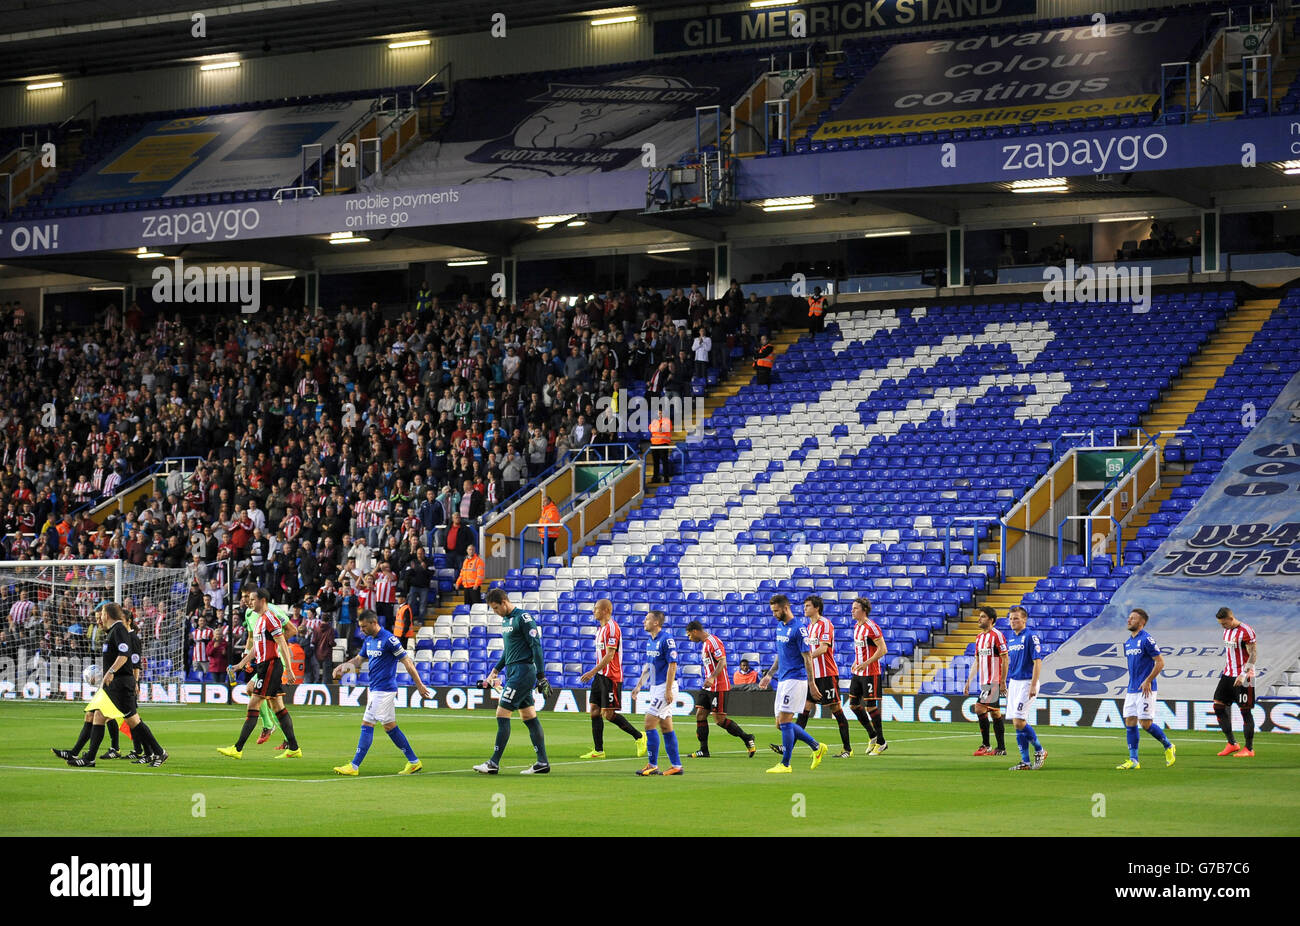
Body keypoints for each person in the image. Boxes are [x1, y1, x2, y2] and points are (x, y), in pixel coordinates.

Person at [56, 603, 167, 768]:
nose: (99, 617)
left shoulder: (120, 629)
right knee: (101, 715)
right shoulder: (113, 631)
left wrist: (111, 671)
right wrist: (106, 671)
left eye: (101, 613)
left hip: (121, 683)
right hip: (116, 682)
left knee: (132, 721)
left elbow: (124, 655)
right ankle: (89, 758)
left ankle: (158, 752)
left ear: (107, 614)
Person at [332, 610, 432, 776]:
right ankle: (414, 762)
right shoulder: (369, 640)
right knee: (390, 727)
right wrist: (343, 666)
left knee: (367, 724)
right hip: (375, 689)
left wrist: (419, 685)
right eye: (360, 627)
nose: (362, 630)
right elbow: (358, 660)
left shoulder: (389, 640)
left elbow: (407, 662)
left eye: (364, 627)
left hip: (384, 690)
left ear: (373, 623)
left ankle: (354, 766)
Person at [217, 586, 303, 760]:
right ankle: (294, 748)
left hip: (271, 665)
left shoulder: (271, 618)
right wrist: (240, 665)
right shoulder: (259, 620)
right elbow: (257, 648)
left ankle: (237, 748)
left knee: (253, 704)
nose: (249, 601)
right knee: (278, 707)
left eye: (253, 599)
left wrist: (290, 668)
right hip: (265, 666)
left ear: (262, 600)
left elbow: (283, 645)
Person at [474, 588, 552, 775]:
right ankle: (542, 762)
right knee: (529, 717)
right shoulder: (506, 621)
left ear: (504, 602)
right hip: (513, 671)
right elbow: (508, 651)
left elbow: (536, 647)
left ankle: (493, 763)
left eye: (495, 608)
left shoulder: (523, 619)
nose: (495, 612)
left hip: (523, 672)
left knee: (502, 713)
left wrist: (541, 676)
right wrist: (495, 671)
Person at [757, 594, 828, 773]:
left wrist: (812, 683)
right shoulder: (780, 627)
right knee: (780, 724)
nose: (773, 614)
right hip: (783, 679)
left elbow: (808, 658)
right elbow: (780, 655)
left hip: (796, 680)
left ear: (785, 608)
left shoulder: (799, 629)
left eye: (776, 611)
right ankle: (816, 746)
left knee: (786, 722)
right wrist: (769, 674)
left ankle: (786, 764)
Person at [577, 599, 645, 759]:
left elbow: (609, 655)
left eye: (596, 609)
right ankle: (598, 750)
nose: (593, 611)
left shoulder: (612, 629)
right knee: (594, 711)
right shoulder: (600, 630)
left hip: (611, 677)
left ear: (606, 610)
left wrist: (591, 672)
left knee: (608, 714)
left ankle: (639, 737)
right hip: (600, 677)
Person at [683, 619, 755, 759]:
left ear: (695, 631)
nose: (689, 638)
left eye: (689, 635)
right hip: (708, 687)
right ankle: (704, 750)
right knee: (700, 715)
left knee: (720, 720)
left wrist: (712, 678)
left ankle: (747, 738)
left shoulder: (713, 642)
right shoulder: (704, 644)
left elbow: (722, 661)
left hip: (719, 686)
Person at [1117, 607, 1175, 771]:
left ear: (1142, 622)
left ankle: (1168, 746)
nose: (1129, 620)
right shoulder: (1128, 642)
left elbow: (1160, 662)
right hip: (1131, 689)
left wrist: (1148, 680)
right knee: (1130, 721)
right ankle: (1133, 760)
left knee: (1146, 724)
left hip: (1146, 689)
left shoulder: (1147, 639)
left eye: (1133, 618)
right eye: (1129, 618)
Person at [795, 595, 852, 758]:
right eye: (804, 606)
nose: (804, 608)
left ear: (816, 608)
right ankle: (788, 747)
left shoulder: (825, 624)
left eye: (807, 606)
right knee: (805, 708)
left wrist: (807, 657)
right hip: (813, 675)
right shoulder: (809, 627)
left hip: (827, 674)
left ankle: (847, 749)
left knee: (836, 709)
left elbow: (824, 648)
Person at [631, 610, 683, 776]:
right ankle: (676, 766)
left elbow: (672, 665)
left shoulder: (666, 640)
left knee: (649, 723)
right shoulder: (649, 641)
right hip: (655, 687)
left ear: (655, 623)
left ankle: (652, 764)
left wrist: (667, 690)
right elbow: (648, 666)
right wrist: (639, 685)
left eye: (646, 619)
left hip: (664, 687)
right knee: (666, 726)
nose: (643, 622)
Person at [1004, 606, 1047, 771]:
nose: (1012, 621)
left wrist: (1034, 684)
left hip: (1027, 682)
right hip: (1014, 683)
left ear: (1024, 620)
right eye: (1010, 618)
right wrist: (1004, 682)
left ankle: (1040, 750)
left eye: (1015, 618)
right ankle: (1025, 762)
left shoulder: (1030, 636)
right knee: (1017, 723)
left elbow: (1038, 661)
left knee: (1019, 721)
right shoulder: (1012, 638)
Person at [1212, 606, 1258, 758]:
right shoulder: (1227, 630)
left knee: (1245, 711)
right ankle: (1232, 743)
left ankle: (1249, 749)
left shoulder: (1246, 631)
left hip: (1245, 678)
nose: (1222, 626)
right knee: (1218, 706)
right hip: (1228, 674)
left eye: (1224, 623)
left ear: (1231, 619)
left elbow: (1253, 654)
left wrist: (1244, 674)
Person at [963, 606, 1008, 757]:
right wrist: (969, 681)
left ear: (991, 620)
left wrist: (1002, 681)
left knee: (979, 707)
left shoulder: (997, 636)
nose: (979, 619)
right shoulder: (979, 638)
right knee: (995, 714)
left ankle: (986, 745)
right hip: (985, 682)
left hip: (993, 682)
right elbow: (977, 660)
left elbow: (1005, 658)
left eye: (982, 616)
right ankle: (1001, 748)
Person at [848, 597, 888, 755]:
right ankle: (872, 735)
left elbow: (883, 649)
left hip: (870, 672)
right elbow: (861, 650)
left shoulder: (872, 627)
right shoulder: (857, 627)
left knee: (871, 706)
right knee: (853, 705)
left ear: (864, 610)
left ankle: (882, 742)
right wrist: (856, 662)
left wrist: (866, 663)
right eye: (852, 608)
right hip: (857, 672)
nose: (852, 611)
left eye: (855, 608)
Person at [648, 409, 672, 484]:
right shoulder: (654, 421)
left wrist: (657, 428)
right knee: (655, 463)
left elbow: (662, 429)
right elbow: (651, 429)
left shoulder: (667, 421)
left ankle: (666, 479)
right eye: (658, 413)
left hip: (663, 443)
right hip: (654, 444)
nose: (659, 415)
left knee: (664, 462)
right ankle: (655, 478)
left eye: (661, 413)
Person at [537, 494, 561, 560]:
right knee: (549, 553)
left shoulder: (552, 509)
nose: (543, 503)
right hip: (545, 534)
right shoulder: (545, 510)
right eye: (543, 501)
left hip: (550, 534)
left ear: (549, 501)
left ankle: (551, 566)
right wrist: (539, 526)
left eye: (545, 501)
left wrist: (541, 526)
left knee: (547, 552)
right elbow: (543, 521)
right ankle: (554, 566)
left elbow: (550, 521)